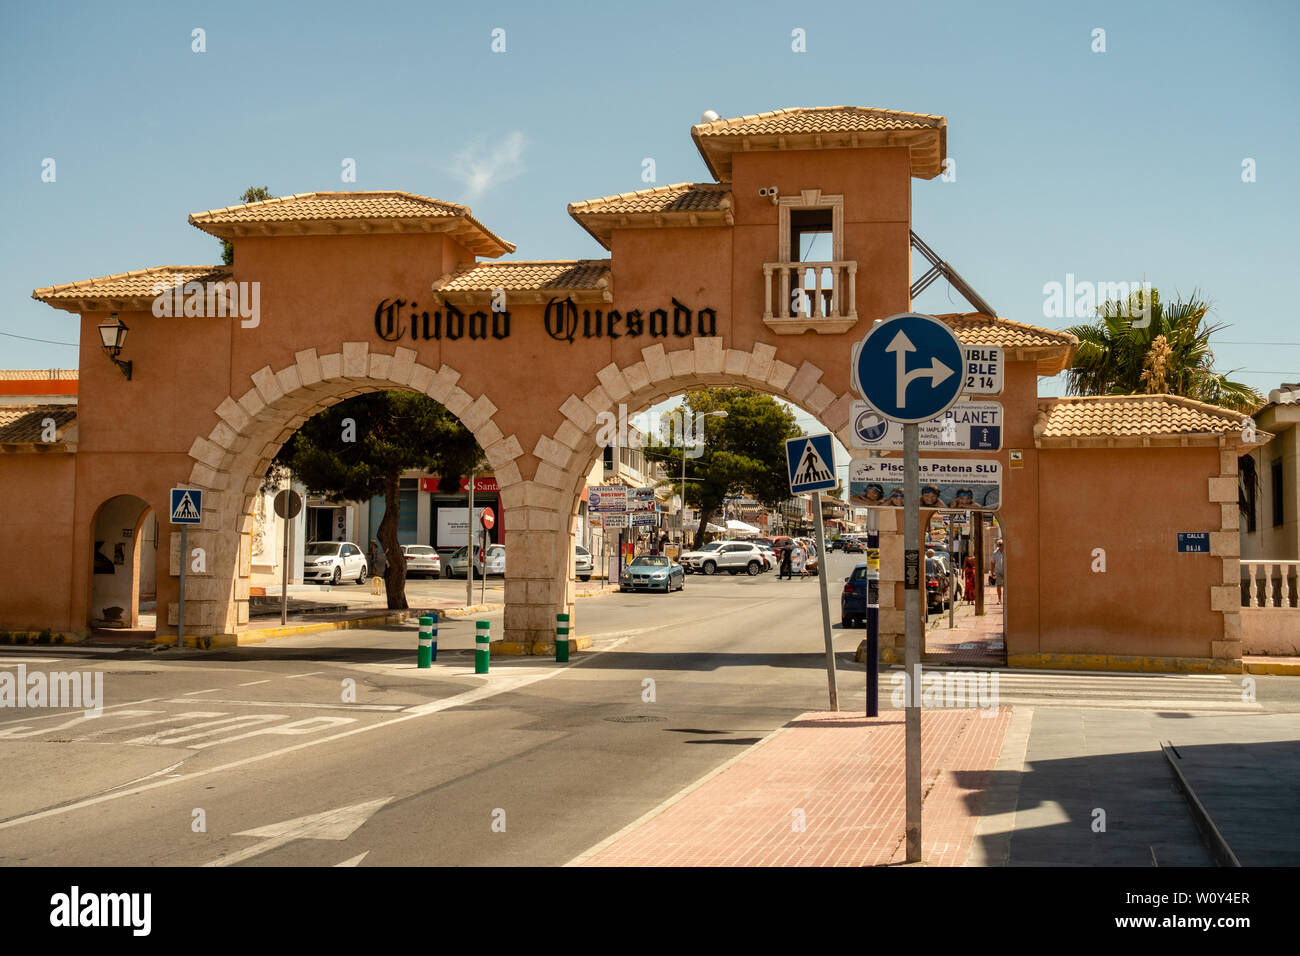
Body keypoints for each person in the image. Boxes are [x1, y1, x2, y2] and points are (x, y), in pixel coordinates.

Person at [991, 539, 1005, 604]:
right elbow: (992, 563)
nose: (1000, 546)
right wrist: (992, 572)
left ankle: (1006, 599)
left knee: (1006, 586)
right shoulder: (995, 553)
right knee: (999, 585)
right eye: (999, 545)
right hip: (998, 571)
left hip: (1006, 572)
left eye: (1001, 544)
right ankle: (999, 599)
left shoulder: (1006, 552)